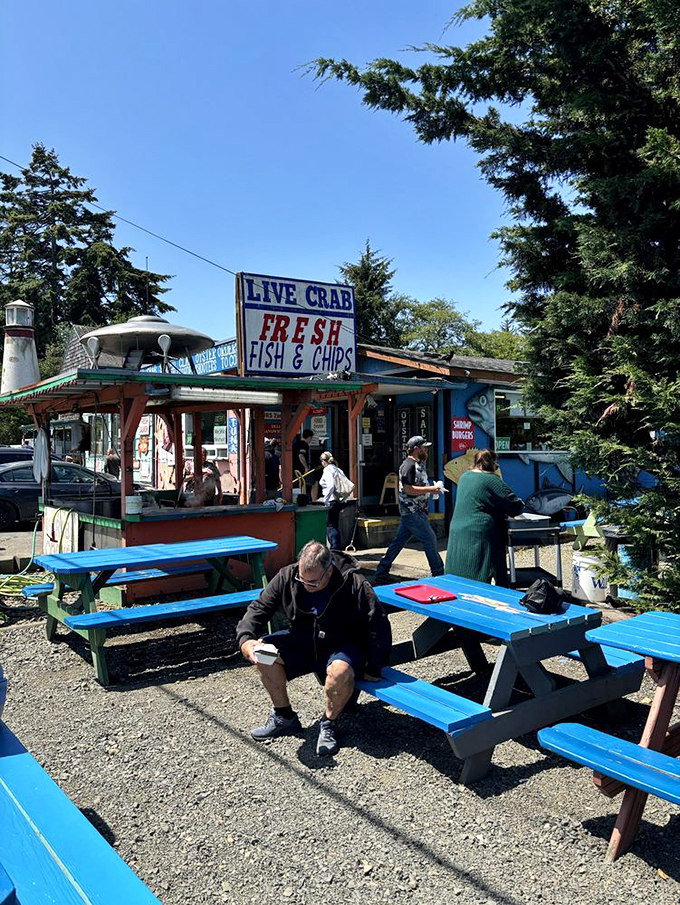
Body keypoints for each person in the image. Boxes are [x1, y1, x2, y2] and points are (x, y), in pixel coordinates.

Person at [236, 541, 392, 756]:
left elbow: (378, 622)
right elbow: (259, 608)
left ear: (329, 571)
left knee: (339, 670)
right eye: (302, 579)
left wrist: (375, 666)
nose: (305, 585)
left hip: (342, 642)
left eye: (313, 582)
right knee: (263, 654)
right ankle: (284, 716)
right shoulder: (287, 576)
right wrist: (247, 640)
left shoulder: (353, 582)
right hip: (304, 640)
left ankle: (329, 722)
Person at [445, 448, 524, 585]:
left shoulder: (464, 477)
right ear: (493, 464)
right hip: (480, 533)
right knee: (484, 570)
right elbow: (515, 506)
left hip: (458, 531)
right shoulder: (491, 480)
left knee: (461, 572)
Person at [374, 436, 445, 584]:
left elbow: (416, 486)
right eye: (424, 447)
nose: (427, 450)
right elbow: (408, 489)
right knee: (430, 539)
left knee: (398, 542)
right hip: (412, 512)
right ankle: (439, 574)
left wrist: (430, 490)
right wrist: (431, 489)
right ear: (417, 449)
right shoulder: (408, 465)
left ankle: (382, 571)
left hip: (414, 512)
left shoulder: (418, 464)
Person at [318, 451, 350, 549]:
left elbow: (330, 486)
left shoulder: (327, 470)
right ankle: (336, 548)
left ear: (324, 461)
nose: (321, 463)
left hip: (331, 501)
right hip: (338, 500)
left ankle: (334, 548)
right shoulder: (337, 469)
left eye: (321, 461)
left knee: (330, 526)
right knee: (334, 525)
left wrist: (326, 500)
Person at [292, 428, 318, 500]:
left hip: (295, 469)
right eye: (311, 438)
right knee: (315, 482)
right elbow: (301, 455)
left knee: (300, 485)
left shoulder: (295, 444)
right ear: (309, 437)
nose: (311, 440)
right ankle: (314, 500)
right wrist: (306, 467)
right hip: (302, 469)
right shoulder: (304, 445)